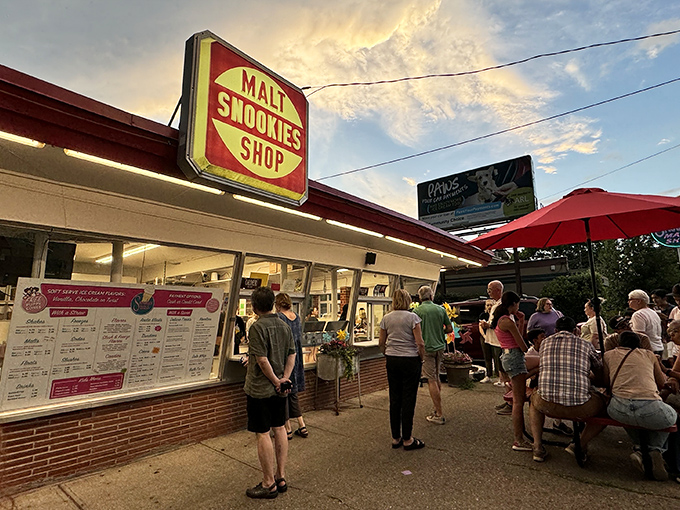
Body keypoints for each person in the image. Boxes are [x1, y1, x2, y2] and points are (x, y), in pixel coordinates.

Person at [529, 316, 606, 463]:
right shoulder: (586, 345)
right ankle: (580, 444)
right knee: (607, 408)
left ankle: (538, 446)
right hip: (581, 407)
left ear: (556, 330)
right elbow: (600, 372)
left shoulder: (545, 343)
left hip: (547, 404)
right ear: (576, 331)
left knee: (534, 401)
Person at [244, 287, 296, 499]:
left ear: (255, 307)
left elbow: (261, 360)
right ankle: (281, 476)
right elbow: (292, 354)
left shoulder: (257, 327)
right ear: (273, 304)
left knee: (263, 432)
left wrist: (274, 381)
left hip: (260, 390)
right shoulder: (284, 325)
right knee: (281, 428)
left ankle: (268, 483)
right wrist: (284, 379)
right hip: (280, 390)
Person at [605, 331, 676, 481]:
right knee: (671, 416)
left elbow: (606, 381)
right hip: (650, 407)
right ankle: (656, 449)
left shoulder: (608, 355)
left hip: (618, 408)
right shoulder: (649, 355)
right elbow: (660, 383)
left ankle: (640, 449)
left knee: (629, 416)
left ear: (619, 344)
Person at [379, 289, 426, 450]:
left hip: (392, 360)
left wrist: (388, 353)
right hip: (410, 360)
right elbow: (420, 343)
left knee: (395, 398)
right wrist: (421, 358)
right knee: (408, 398)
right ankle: (408, 438)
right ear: (407, 300)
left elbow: (381, 342)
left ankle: (395, 437)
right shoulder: (413, 318)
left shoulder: (386, 318)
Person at [492, 291, 531, 452]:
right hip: (514, 355)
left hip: (507, 355)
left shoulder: (502, 319)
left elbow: (517, 335)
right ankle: (519, 439)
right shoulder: (507, 321)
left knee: (517, 397)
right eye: (518, 304)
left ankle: (519, 437)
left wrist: (520, 320)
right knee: (518, 400)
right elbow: (521, 342)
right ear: (513, 304)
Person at [413, 285, 453, 425]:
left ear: (419, 298)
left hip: (426, 348)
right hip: (440, 347)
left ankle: (439, 413)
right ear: (431, 296)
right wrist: (438, 332)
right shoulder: (441, 309)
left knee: (431, 380)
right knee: (436, 377)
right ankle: (436, 408)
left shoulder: (416, 311)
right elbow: (449, 328)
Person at [275, 293, 309, 440]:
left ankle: (287, 428)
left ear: (277, 304)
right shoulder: (297, 317)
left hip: (285, 357)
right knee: (293, 392)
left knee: (284, 393)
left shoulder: (279, 318)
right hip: (297, 357)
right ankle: (302, 425)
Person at [479, 280, 506, 389]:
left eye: (490, 290)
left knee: (500, 361)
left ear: (498, 290)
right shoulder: (497, 305)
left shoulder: (501, 305)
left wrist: (487, 325)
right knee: (496, 359)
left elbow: (497, 323)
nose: (488, 293)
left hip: (499, 339)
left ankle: (504, 381)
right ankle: (501, 380)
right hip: (494, 339)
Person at [629, 289, 664, 356]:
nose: (628, 302)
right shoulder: (653, 312)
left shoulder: (638, 315)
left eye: (630, 299)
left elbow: (640, 336)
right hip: (659, 347)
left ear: (638, 301)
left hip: (648, 350)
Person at [478, 299, 500, 383]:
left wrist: (488, 325)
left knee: (497, 357)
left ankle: (499, 376)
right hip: (485, 337)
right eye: (487, 305)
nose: (489, 307)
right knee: (487, 357)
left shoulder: (496, 315)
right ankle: (488, 375)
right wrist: (484, 336)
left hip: (495, 338)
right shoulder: (483, 315)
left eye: (491, 305)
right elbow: (480, 326)